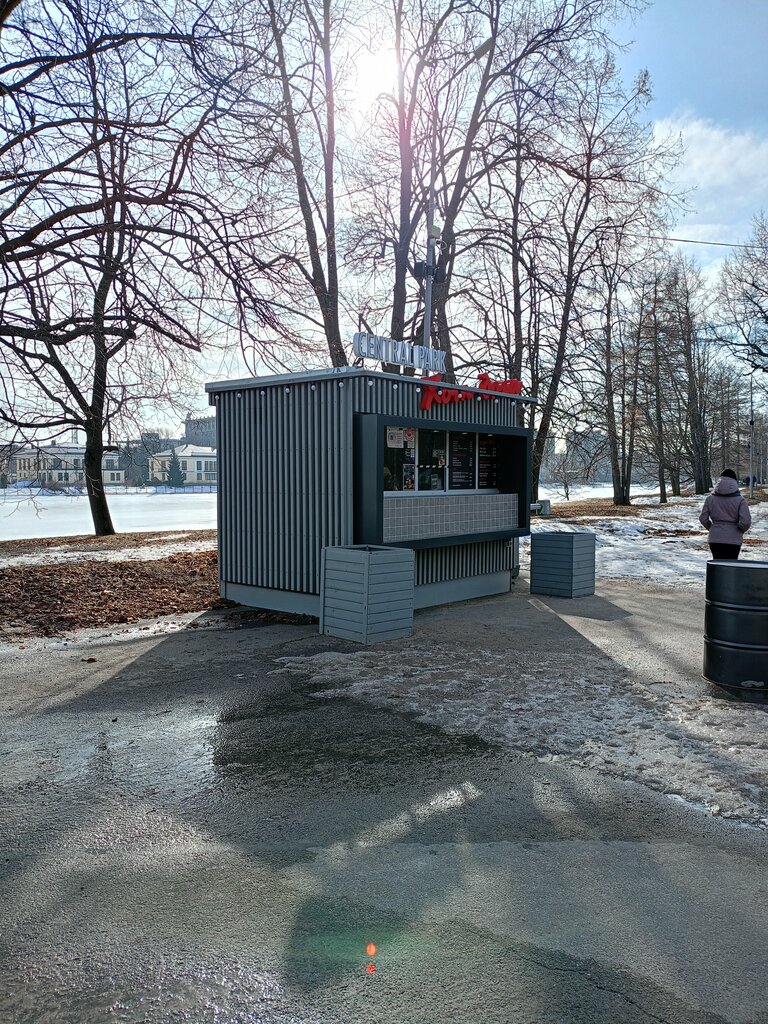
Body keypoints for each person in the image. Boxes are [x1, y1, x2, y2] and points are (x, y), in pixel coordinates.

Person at [698, 468, 751, 560]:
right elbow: (745, 522)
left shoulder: (710, 499)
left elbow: (703, 518)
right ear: (735, 482)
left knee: (717, 566)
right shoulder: (740, 500)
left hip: (715, 538)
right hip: (733, 539)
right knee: (731, 568)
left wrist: (712, 527)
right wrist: (739, 530)